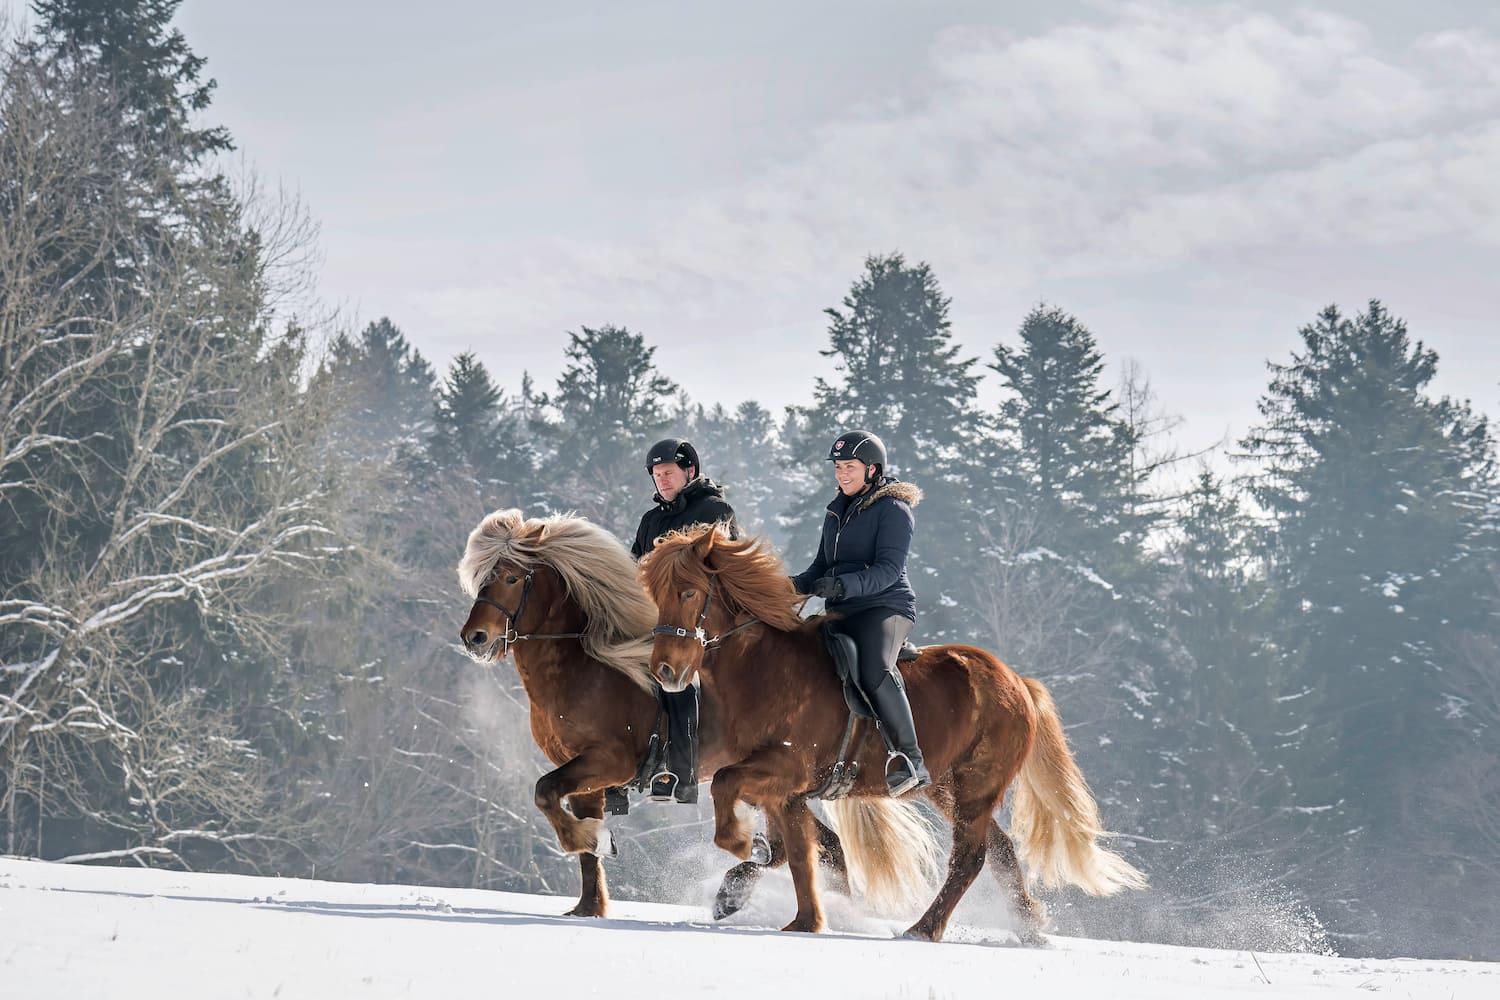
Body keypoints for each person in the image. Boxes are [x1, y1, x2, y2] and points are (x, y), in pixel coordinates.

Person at [790, 430, 930, 796]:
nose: (841, 474)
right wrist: (791, 586)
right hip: (841, 610)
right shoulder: (836, 511)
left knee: (873, 667)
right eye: (838, 467)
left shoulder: (894, 510)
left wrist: (843, 586)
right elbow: (820, 566)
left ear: (872, 470)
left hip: (885, 607)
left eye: (849, 467)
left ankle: (910, 758)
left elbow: (888, 570)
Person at [628, 437, 740, 804]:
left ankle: (681, 772)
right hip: (659, 619)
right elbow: (635, 569)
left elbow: (729, 570)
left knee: (677, 678)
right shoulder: (651, 521)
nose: (662, 479)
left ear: (689, 471)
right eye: (657, 474)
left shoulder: (714, 511)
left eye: (668, 472)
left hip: (706, 622)